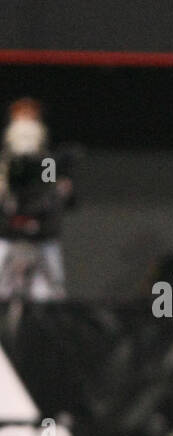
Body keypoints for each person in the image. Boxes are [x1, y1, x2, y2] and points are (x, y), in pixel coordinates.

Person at [0, 98, 74, 306]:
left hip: (42, 236)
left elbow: (53, 197)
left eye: (30, 118)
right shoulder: (5, 162)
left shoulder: (47, 163)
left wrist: (60, 190)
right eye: (20, 118)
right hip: (6, 234)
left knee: (50, 293)